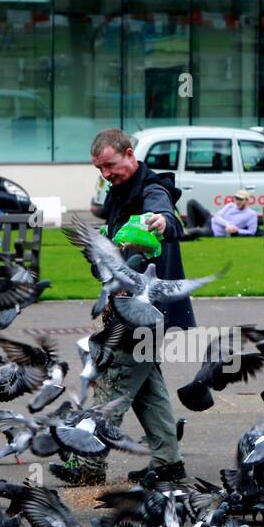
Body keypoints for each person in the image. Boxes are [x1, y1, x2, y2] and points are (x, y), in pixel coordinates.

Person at [50, 127, 190, 488]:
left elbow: (162, 214)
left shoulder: (151, 187)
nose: (106, 174)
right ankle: (168, 462)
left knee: (112, 380)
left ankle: (88, 461)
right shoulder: (117, 193)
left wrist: (162, 220)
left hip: (143, 309)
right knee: (146, 387)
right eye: (99, 169)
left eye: (110, 165)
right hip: (130, 307)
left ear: (130, 153)